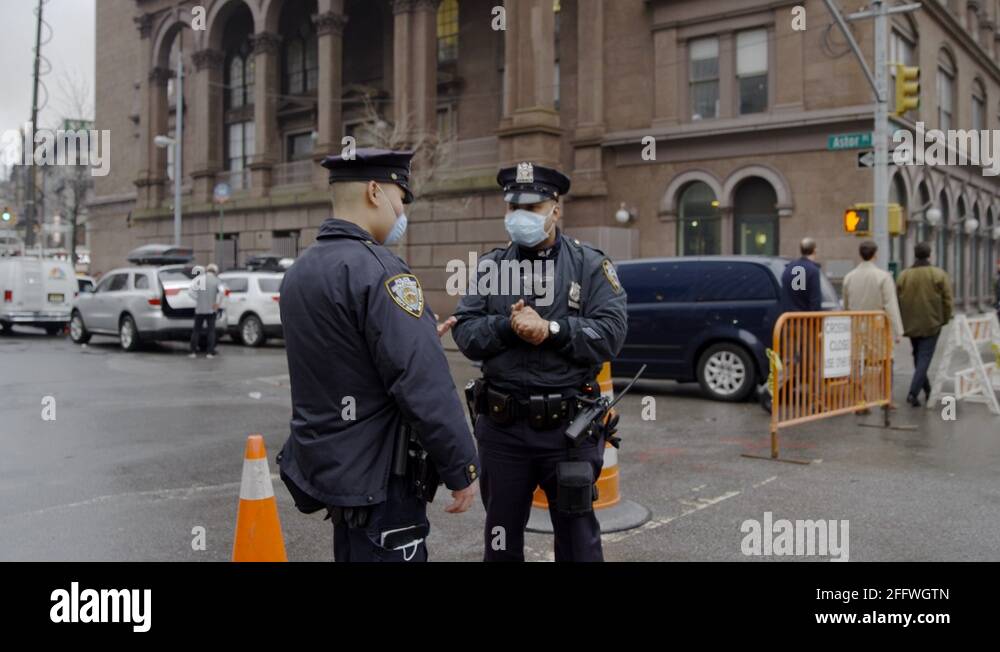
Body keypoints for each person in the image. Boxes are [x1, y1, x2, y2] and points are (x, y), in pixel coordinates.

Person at [276, 149, 479, 563]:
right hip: (384, 479)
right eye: (400, 198)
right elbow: (423, 383)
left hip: (337, 473)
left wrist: (414, 335)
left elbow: (341, 358)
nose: (402, 211)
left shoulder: (300, 271)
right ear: (375, 192)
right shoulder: (382, 271)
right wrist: (461, 468)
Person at [451, 162, 628, 562]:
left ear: (555, 208)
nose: (521, 217)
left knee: (579, 542)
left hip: (568, 432)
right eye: (514, 208)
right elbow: (465, 332)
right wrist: (508, 326)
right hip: (503, 429)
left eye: (533, 207)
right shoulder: (491, 267)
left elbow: (612, 334)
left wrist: (551, 330)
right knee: (500, 540)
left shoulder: (590, 264)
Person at [842, 240, 904, 413]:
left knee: (857, 362)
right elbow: (891, 305)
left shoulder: (849, 277)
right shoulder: (883, 276)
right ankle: (885, 399)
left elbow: (846, 304)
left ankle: (860, 400)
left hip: (856, 324)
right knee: (886, 360)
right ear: (875, 254)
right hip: (878, 325)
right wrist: (898, 330)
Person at [896, 242, 953, 407]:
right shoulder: (938, 274)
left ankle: (927, 390)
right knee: (924, 358)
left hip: (911, 323)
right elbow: (947, 300)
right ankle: (913, 393)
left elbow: (898, 297)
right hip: (932, 322)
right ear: (929, 255)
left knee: (918, 355)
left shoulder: (904, 275)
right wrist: (945, 318)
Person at [780, 237, 823, 313]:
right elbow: (815, 302)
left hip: (789, 319)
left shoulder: (788, 268)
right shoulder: (813, 271)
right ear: (815, 250)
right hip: (805, 320)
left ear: (801, 250)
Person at [189, 263, 222, 359]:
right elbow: (222, 292)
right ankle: (210, 352)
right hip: (211, 310)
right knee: (211, 331)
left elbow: (190, 292)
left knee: (196, 330)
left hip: (199, 309)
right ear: (215, 271)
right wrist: (217, 303)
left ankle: (193, 352)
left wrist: (198, 299)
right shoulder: (217, 280)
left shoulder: (198, 280)